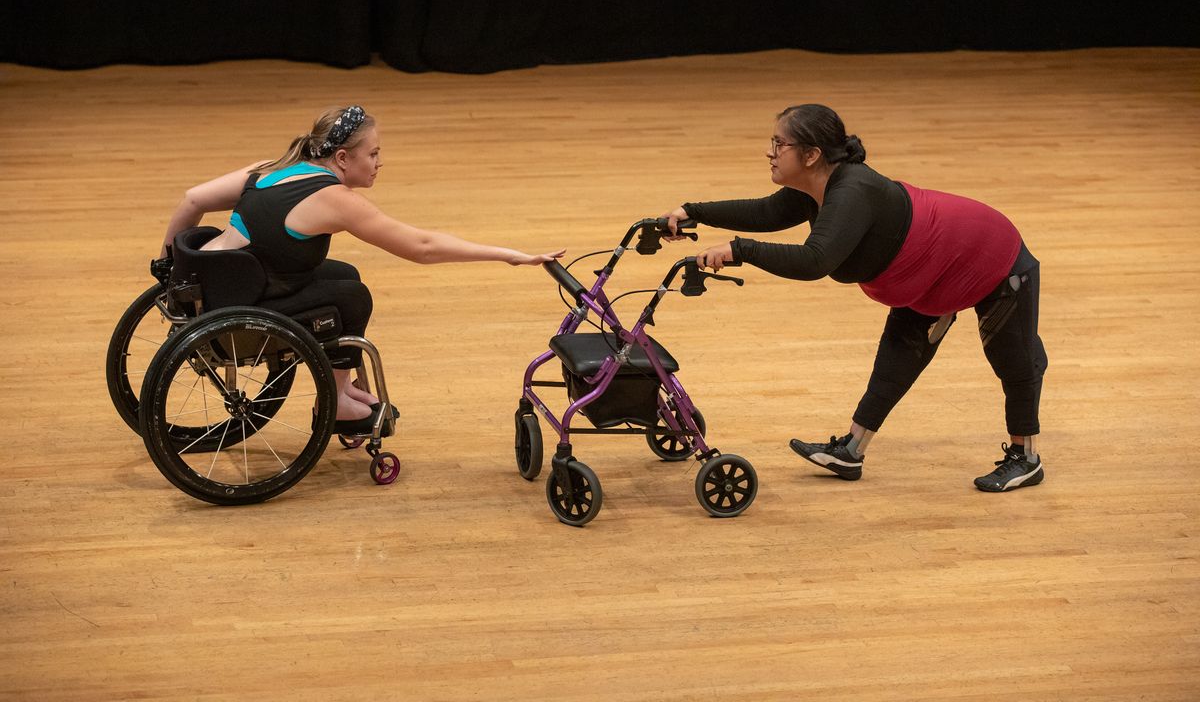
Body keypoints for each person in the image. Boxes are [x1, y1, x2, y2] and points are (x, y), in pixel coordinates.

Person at [661, 104, 1047, 492]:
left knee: (1015, 361)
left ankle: (1025, 459)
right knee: (895, 360)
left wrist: (738, 250)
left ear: (811, 155)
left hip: (994, 256)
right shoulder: (815, 187)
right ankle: (851, 450)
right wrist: (693, 211)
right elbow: (765, 212)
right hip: (930, 273)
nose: (770, 152)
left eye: (780, 144)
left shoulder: (853, 191)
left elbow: (816, 260)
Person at [161, 105, 564, 432]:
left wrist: (166, 269)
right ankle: (335, 402)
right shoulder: (333, 198)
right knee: (352, 296)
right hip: (238, 299)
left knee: (344, 275)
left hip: (210, 278)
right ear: (341, 157)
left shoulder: (274, 166)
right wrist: (508, 254)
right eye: (372, 154)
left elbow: (193, 199)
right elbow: (421, 247)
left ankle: (341, 386)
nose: (379, 163)